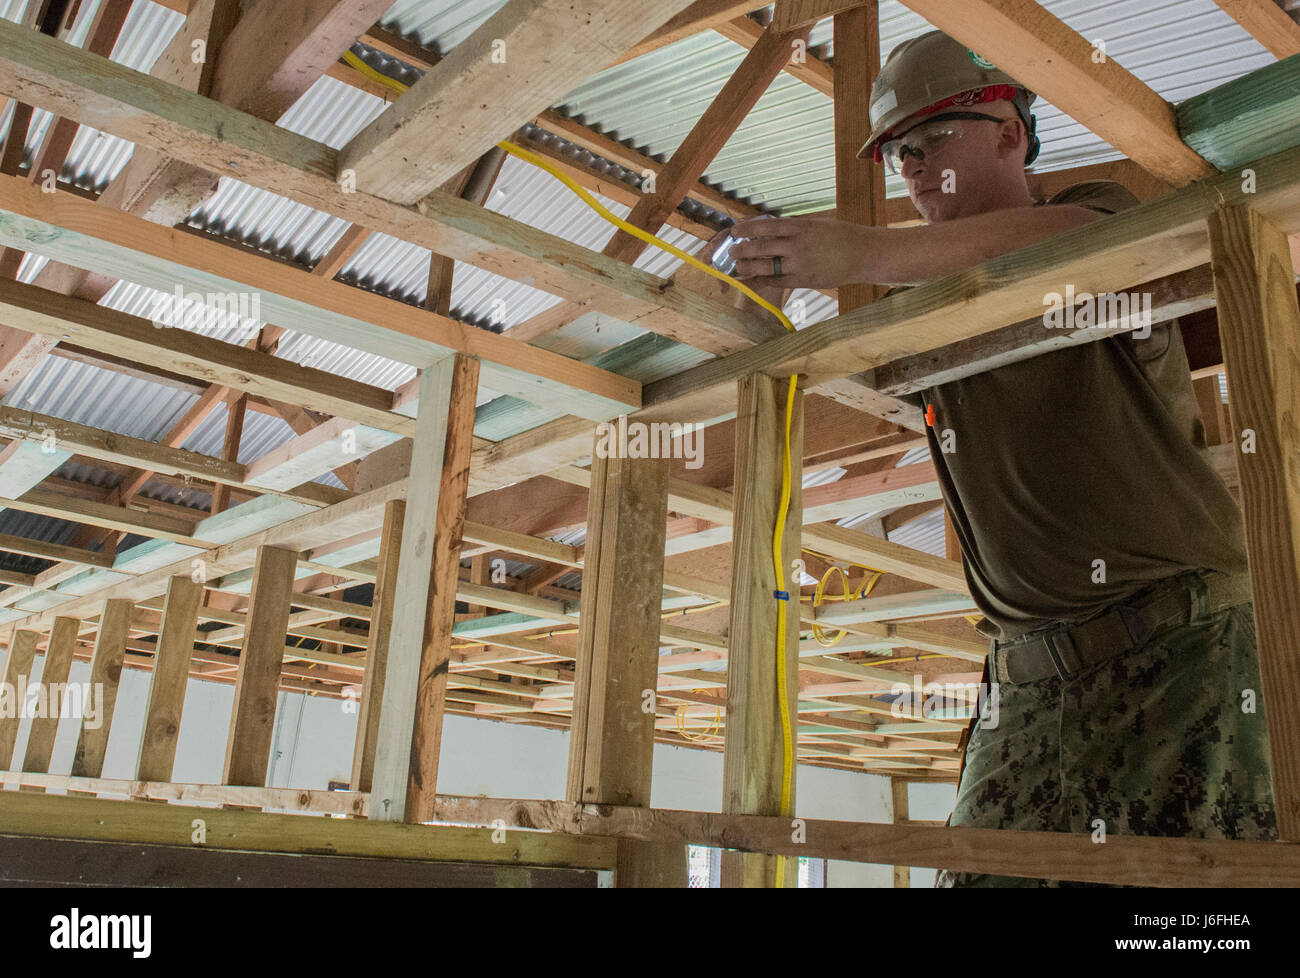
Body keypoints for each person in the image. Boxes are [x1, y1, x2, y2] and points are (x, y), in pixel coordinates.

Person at [718, 30, 1276, 886]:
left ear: (1010, 134)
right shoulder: (933, 317)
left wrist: (859, 254)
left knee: (1205, 912)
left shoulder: (1099, 217)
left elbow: (1063, 246)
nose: (909, 165)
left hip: (1185, 648)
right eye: (899, 153)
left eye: (930, 139)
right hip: (1026, 675)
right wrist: (770, 335)